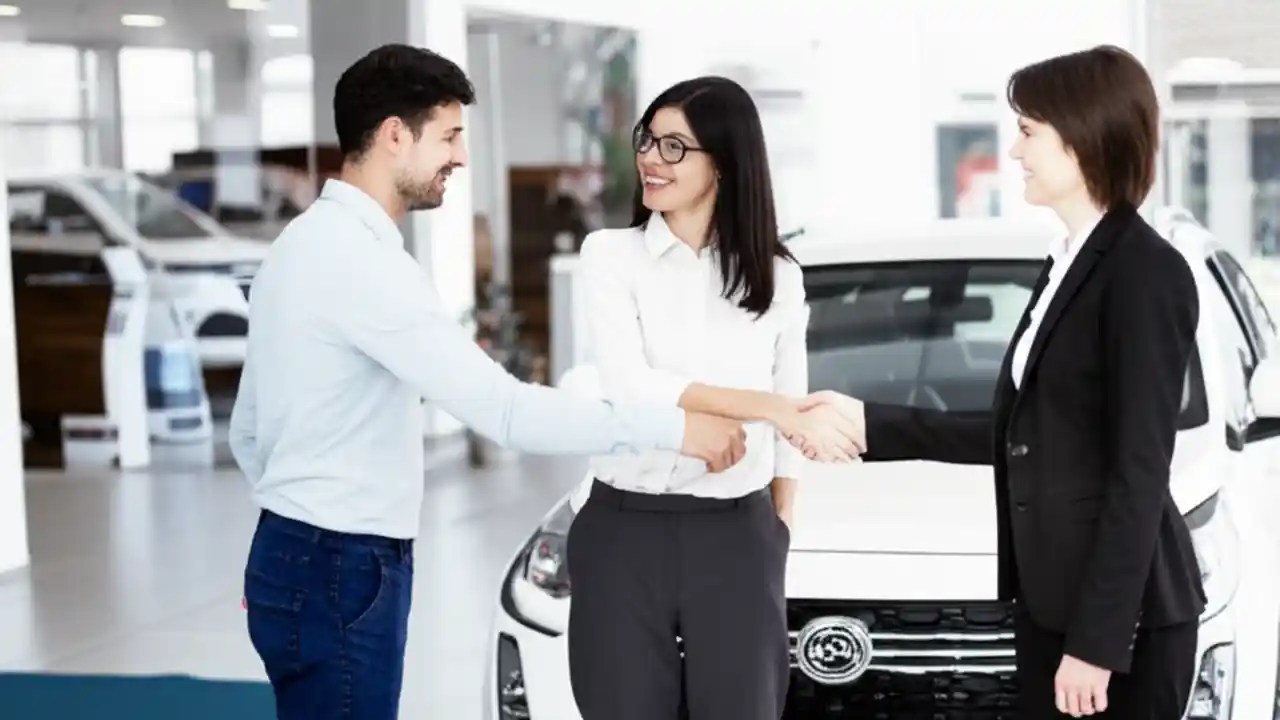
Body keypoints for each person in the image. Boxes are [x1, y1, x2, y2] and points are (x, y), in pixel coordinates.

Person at [227, 44, 750, 720]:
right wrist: (677, 427)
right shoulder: (364, 266)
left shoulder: (298, 245)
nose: (461, 156)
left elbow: (248, 428)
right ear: (394, 135)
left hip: (293, 552)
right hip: (339, 565)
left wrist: (289, 539)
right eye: (448, 135)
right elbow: (507, 412)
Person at [800, 46, 1206, 718]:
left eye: (1027, 131)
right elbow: (1025, 436)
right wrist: (869, 424)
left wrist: (1097, 645)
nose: (1015, 152)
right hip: (1053, 607)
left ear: (1081, 136)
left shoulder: (1143, 272)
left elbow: (1138, 472)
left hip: (1121, 628)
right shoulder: (1067, 263)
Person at [566, 76, 861, 720]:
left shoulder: (778, 277)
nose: (649, 157)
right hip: (624, 529)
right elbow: (629, 385)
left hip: (735, 535)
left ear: (723, 164)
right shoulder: (610, 257)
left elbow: (793, 409)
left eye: (675, 147)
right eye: (648, 139)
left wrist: (775, 532)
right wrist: (767, 409)